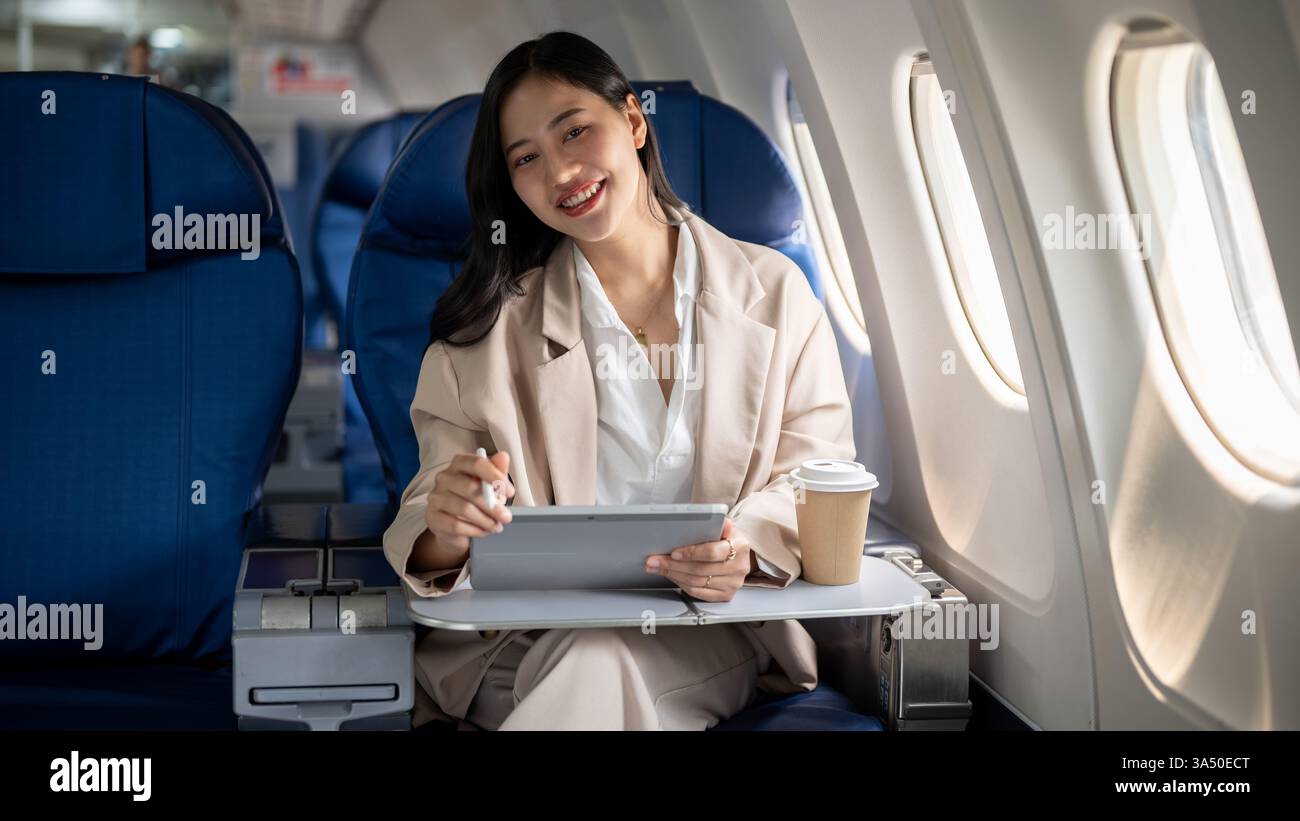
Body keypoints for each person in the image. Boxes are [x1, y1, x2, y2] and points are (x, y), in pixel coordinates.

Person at [382, 30, 857, 730]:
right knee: (594, 656)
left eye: (575, 131)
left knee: (603, 659)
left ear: (633, 121)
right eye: (527, 158)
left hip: (711, 631)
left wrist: (742, 547)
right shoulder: (485, 338)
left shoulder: (777, 297)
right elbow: (429, 509)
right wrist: (450, 527)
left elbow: (817, 477)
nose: (562, 172)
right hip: (524, 644)